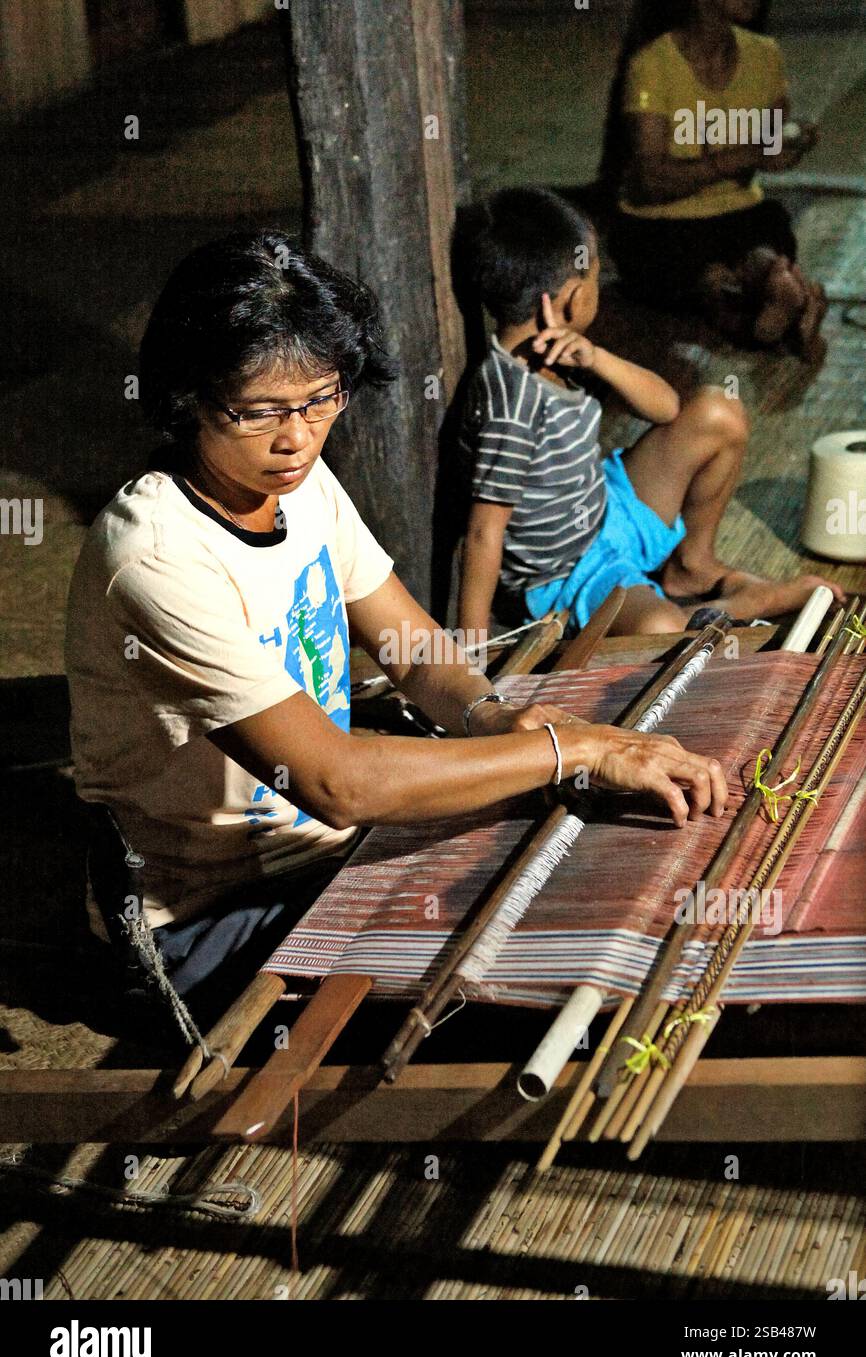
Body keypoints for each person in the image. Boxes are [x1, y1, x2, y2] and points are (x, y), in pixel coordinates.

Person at [64, 230, 728, 1030]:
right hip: (214, 918)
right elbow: (338, 784)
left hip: (331, 854)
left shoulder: (299, 490)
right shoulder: (156, 557)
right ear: (190, 398)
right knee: (558, 989)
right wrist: (573, 747)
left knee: (597, 860)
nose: (296, 437)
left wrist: (489, 716)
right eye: (260, 410)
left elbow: (413, 650)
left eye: (320, 399)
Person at [455, 187, 843, 640]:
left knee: (719, 411)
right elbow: (484, 533)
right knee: (663, 629)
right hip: (571, 577)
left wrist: (597, 358)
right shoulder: (512, 406)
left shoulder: (555, 351)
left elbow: (667, 407)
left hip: (607, 508)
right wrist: (472, 651)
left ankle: (691, 568)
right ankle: (739, 607)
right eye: (597, 280)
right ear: (573, 300)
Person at [602, 0, 827, 361]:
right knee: (713, 264)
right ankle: (785, 291)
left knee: (737, 260)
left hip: (738, 217)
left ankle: (759, 294)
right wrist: (748, 155)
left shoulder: (764, 55)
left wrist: (795, 139)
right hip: (660, 223)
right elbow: (652, 181)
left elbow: (770, 146)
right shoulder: (653, 65)